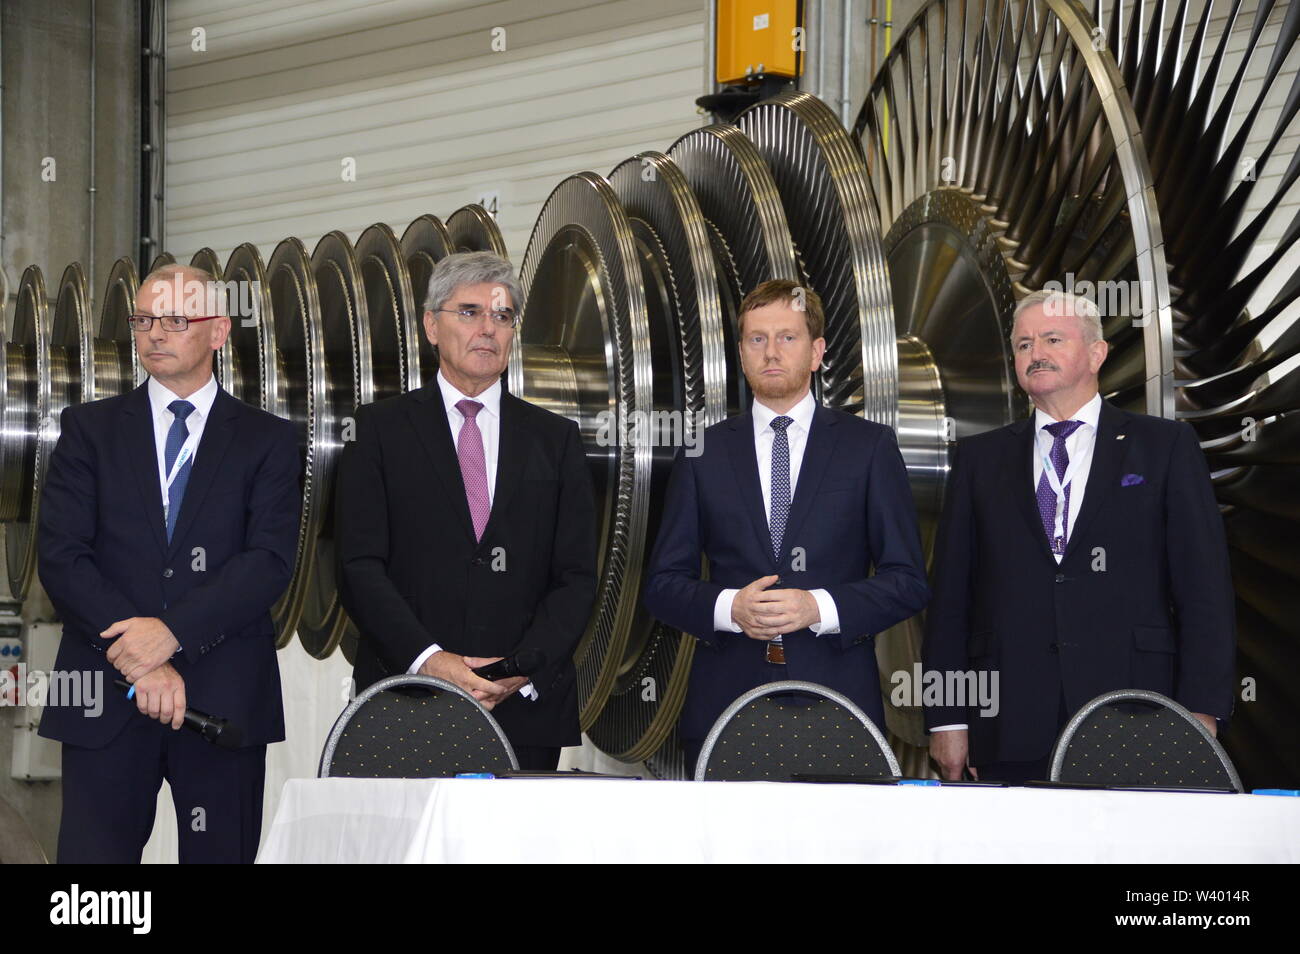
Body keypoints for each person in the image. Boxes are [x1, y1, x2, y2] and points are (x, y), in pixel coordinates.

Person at [37, 264, 301, 862]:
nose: (156, 333)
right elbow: (62, 555)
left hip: (223, 695)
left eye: (176, 320)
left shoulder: (269, 441)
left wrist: (172, 635)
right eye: (144, 319)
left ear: (219, 332)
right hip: (105, 693)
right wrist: (141, 659)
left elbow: (267, 562)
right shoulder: (88, 430)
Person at [924, 289, 1235, 784]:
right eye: (1023, 345)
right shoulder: (979, 460)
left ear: (1097, 354)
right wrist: (947, 716)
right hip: (1007, 723)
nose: (1035, 353)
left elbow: (1204, 591)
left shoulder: (1165, 448)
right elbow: (950, 602)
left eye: (1052, 339)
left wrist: (1202, 710)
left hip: (1139, 715)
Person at [644, 279, 930, 774]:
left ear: (817, 351)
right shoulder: (701, 453)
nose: (771, 352)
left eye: (788, 337)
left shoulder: (869, 449)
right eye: (757, 339)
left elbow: (907, 581)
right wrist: (729, 607)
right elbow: (663, 585)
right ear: (741, 353)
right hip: (724, 708)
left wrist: (816, 606)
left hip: (840, 709)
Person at [335, 251, 597, 771]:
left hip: (523, 706)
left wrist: (520, 668)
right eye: (470, 312)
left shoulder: (556, 439)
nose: (488, 330)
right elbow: (358, 566)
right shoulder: (379, 431)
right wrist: (431, 660)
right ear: (432, 325)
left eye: (502, 317)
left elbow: (576, 577)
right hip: (405, 697)